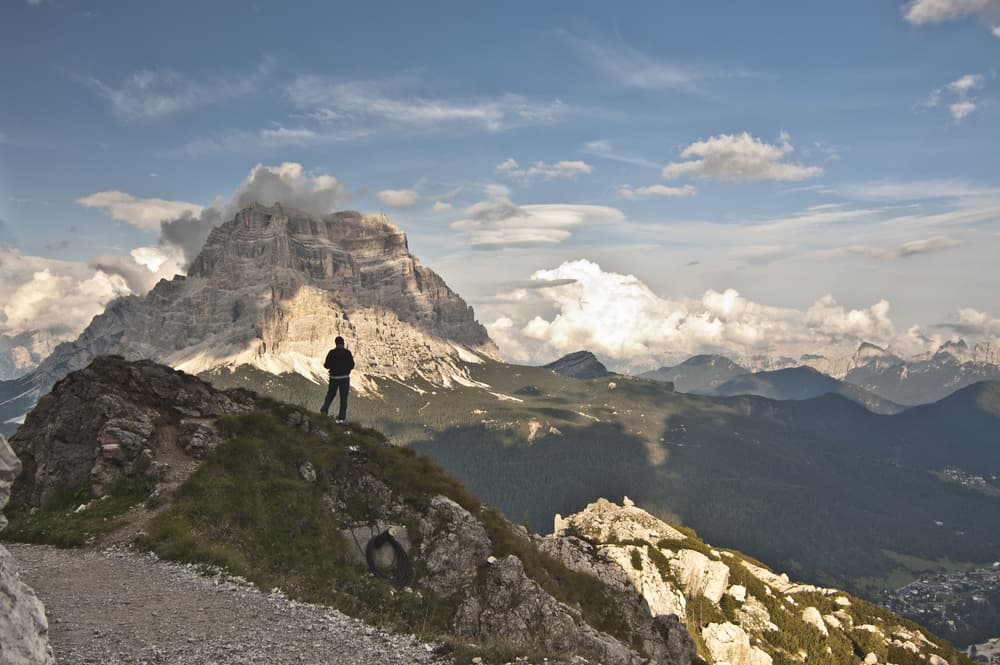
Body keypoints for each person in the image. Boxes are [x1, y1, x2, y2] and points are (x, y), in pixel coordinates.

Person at [320, 336, 355, 423]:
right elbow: (352, 365)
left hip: (334, 377)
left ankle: (324, 410)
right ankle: (341, 417)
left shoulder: (332, 352)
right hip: (344, 378)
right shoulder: (347, 353)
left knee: (331, 394)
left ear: (336, 343)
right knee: (343, 397)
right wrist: (346, 369)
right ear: (343, 343)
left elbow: (326, 365)